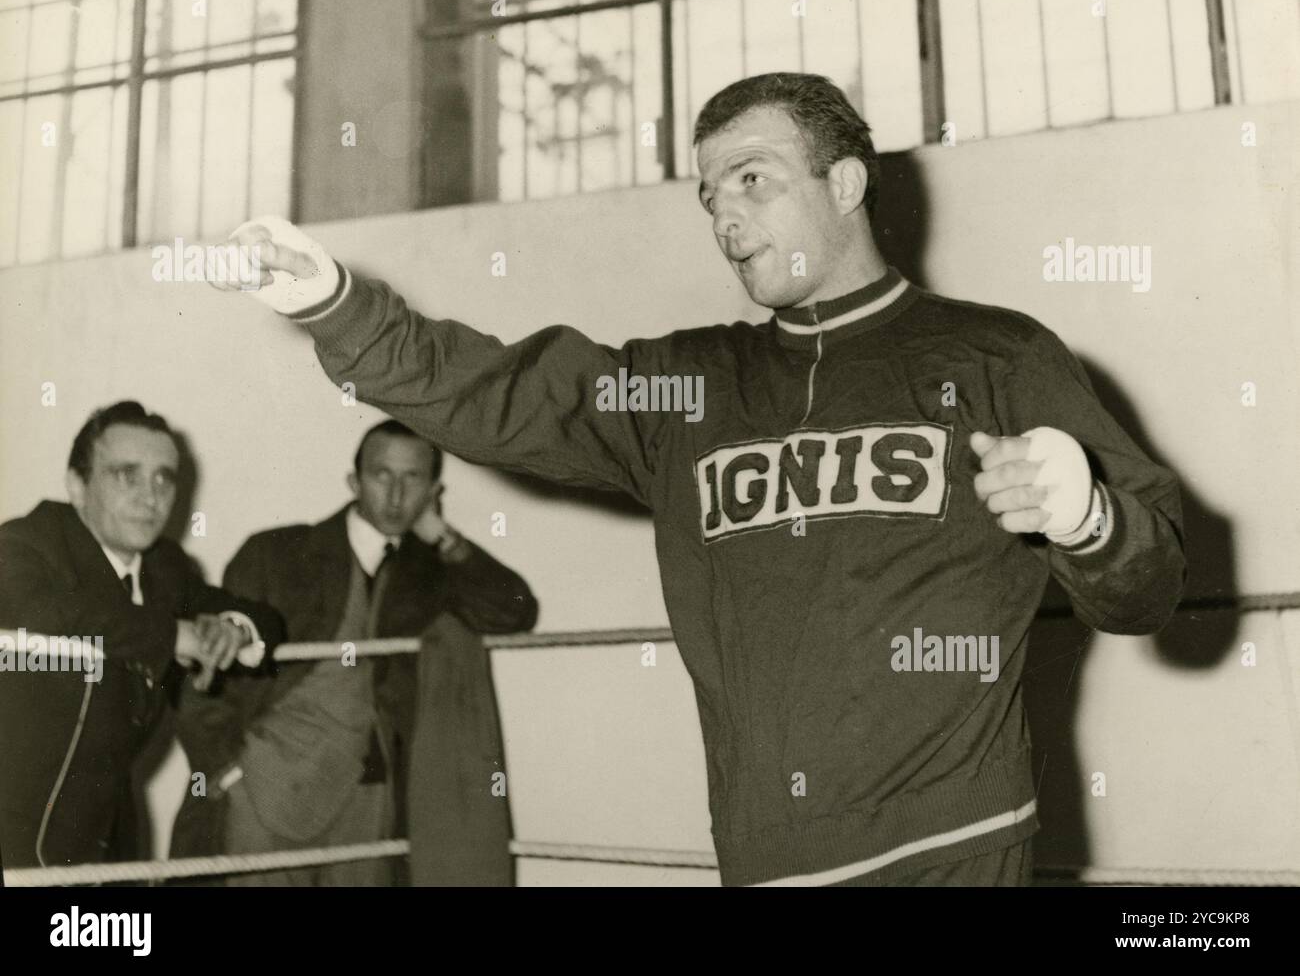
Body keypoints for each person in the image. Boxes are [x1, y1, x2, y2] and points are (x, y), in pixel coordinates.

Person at [212, 72, 1186, 887]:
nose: (723, 214)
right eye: (708, 195)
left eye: (751, 179)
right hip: (762, 860)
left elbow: (1150, 589)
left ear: (844, 182)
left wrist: (1091, 517)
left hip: (952, 849)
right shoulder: (690, 385)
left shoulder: (998, 357)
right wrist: (339, 310)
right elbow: (499, 392)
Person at [172, 420, 538, 886]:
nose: (395, 494)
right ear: (353, 480)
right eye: (382, 475)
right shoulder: (278, 553)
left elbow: (516, 610)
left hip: (370, 797)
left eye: (412, 479)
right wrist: (227, 774)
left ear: (433, 490)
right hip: (265, 787)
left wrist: (440, 533)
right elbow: (203, 678)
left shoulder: (433, 572)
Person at [0, 401, 282, 872]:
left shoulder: (165, 567)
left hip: (112, 830)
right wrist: (175, 636)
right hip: (14, 825)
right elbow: (42, 612)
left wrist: (232, 630)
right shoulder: (28, 542)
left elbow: (264, 620)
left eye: (163, 478)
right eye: (126, 475)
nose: (150, 497)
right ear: (77, 485)